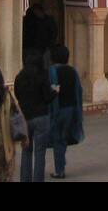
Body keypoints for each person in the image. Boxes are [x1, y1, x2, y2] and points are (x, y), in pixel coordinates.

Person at [14, 50, 53, 182]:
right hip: (41, 116)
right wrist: (55, 92)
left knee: (26, 150)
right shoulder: (43, 76)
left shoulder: (19, 77)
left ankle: (25, 179)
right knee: (40, 152)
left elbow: (17, 95)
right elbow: (47, 97)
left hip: (25, 117)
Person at [47, 44, 84, 179]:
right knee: (62, 138)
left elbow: (50, 91)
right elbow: (78, 90)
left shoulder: (51, 72)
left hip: (58, 109)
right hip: (71, 109)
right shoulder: (72, 71)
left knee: (57, 139)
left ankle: (59, 169)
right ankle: (61, 165)